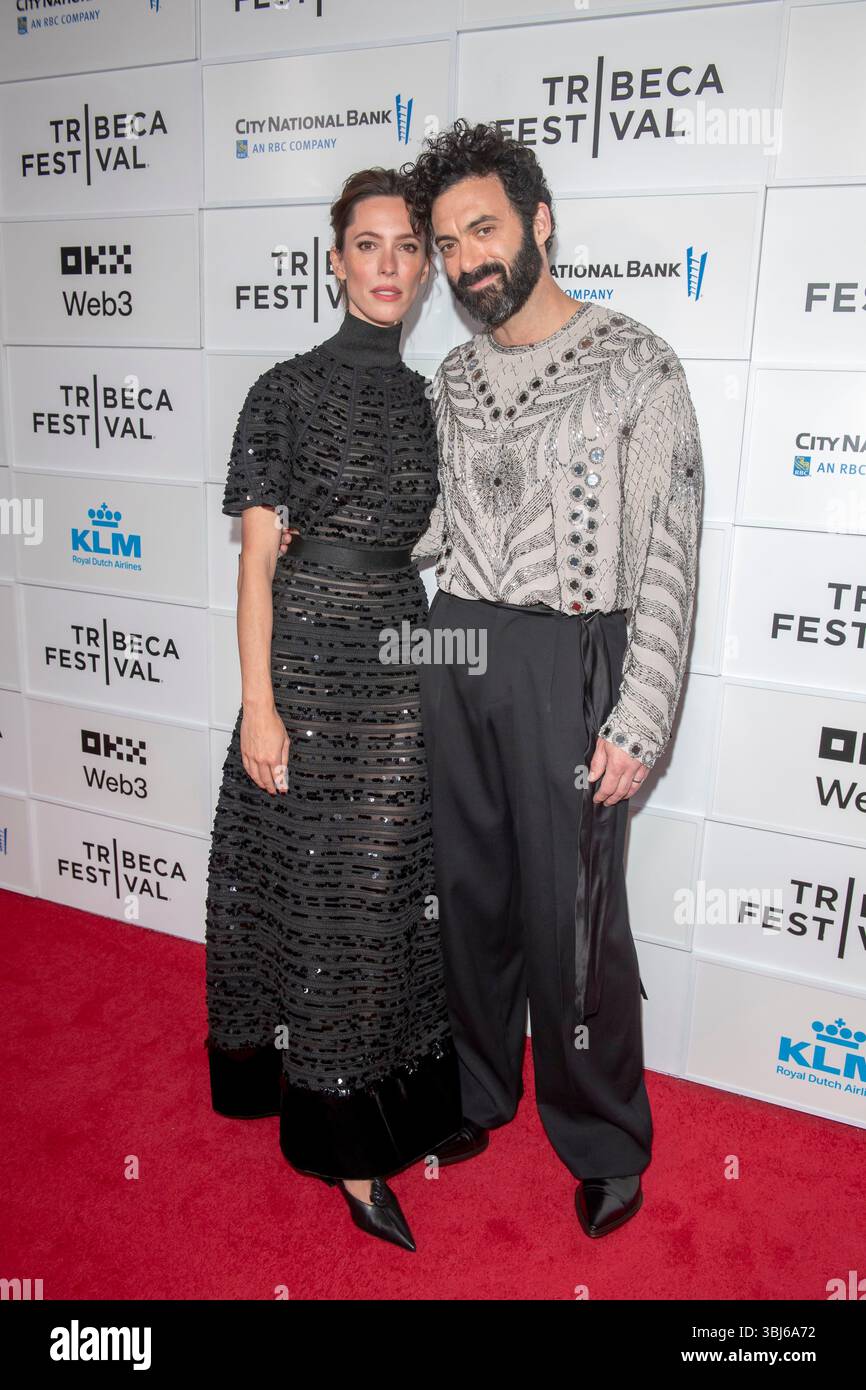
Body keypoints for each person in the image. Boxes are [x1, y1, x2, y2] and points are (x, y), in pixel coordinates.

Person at [396, 120, 704, 1237]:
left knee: (572, 916)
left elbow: (671, 546)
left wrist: (643, 711)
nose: (466, 258)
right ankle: (478, 1089)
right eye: (445, 243)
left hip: (574, 654)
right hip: (456, 642)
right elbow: (432, 528)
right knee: (468, 897)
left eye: (481, 228)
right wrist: (337, 537)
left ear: (537, 222)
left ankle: (602, 1133)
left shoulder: (636, 362)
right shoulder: (449, 381)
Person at [204, 167, 463, 1254]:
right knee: (319, 907)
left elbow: (443, 536)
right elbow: (258, 562)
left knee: (388, 898)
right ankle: (345, 1148)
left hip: (399, 660)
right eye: (368, 245)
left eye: (408, 246)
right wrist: (258, 705)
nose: (390, 265)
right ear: (334, 258)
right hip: (306, 663)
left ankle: (400, 1101)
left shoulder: (430, 396)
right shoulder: (283, 389)